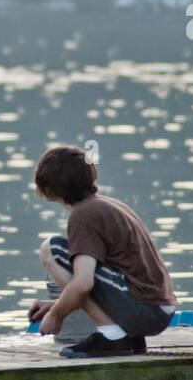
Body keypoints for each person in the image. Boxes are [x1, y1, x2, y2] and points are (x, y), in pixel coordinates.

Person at [26, 146, 178, 357]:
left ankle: (112, 336)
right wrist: (56, 304)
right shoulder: (106, 205)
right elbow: (108, 280)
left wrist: (56, 315)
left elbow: (83, 283)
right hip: (157, 309)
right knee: (73, 262)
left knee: (51, 249)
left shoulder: (83, 216)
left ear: (49, 188)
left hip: (145, 310)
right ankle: (127, 338)